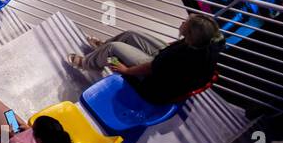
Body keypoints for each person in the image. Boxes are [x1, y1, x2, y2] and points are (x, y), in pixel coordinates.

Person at [68, 14, 224, 105]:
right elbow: (168, 54)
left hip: (152, 83)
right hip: (164, 65)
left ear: (189, 34)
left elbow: (151, 68)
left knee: (113, 48)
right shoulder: (206, 42)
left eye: (185, 23)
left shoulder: (179, 57)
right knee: (131, 34)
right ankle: (102, 50)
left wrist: (126, 70)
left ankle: (88, 63)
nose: (182, 22)